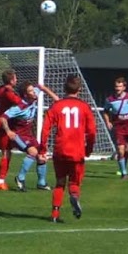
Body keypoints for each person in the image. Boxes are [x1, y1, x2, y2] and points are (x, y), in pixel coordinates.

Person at [43, 75, 98, 222]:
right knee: (74, 182)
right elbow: (92, 131)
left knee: (60, 182)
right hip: (77, 151)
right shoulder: (84, 107)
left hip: (60, 150)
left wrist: (43, 148)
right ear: (79, 90)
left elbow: (45, 128)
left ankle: (55, 213)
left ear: (64, 88)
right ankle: (74, 197)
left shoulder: (57, 106)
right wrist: (89, 148)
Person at [0, 70, 28, 187]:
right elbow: (20, 103)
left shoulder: (1, 89)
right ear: (11, 80)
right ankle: (1, 181)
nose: (17, 80)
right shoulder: (9, 93)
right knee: (6, 151)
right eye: (15, 78)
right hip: (2, 123)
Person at [103, 76, 128, 178]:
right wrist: (108, 122)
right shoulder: (110, 99)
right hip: (119, 127)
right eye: (116, 86)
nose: (117, 89)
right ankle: (123, 173)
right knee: (121, 151)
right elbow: (106, 111)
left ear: (124, 87)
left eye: (120, 87)